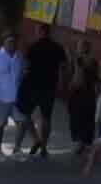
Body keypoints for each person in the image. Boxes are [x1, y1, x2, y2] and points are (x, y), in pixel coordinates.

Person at [18, 29, 67, 162]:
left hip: (33, 85)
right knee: (46, 116)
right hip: (49, 86)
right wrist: (61, 83)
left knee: (25, 113)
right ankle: (44, 147)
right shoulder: (57, 47)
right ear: (49, 33)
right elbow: (63, 67)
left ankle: (37, 139)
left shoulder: (33, 47)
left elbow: (26, 67)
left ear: (38, 33)